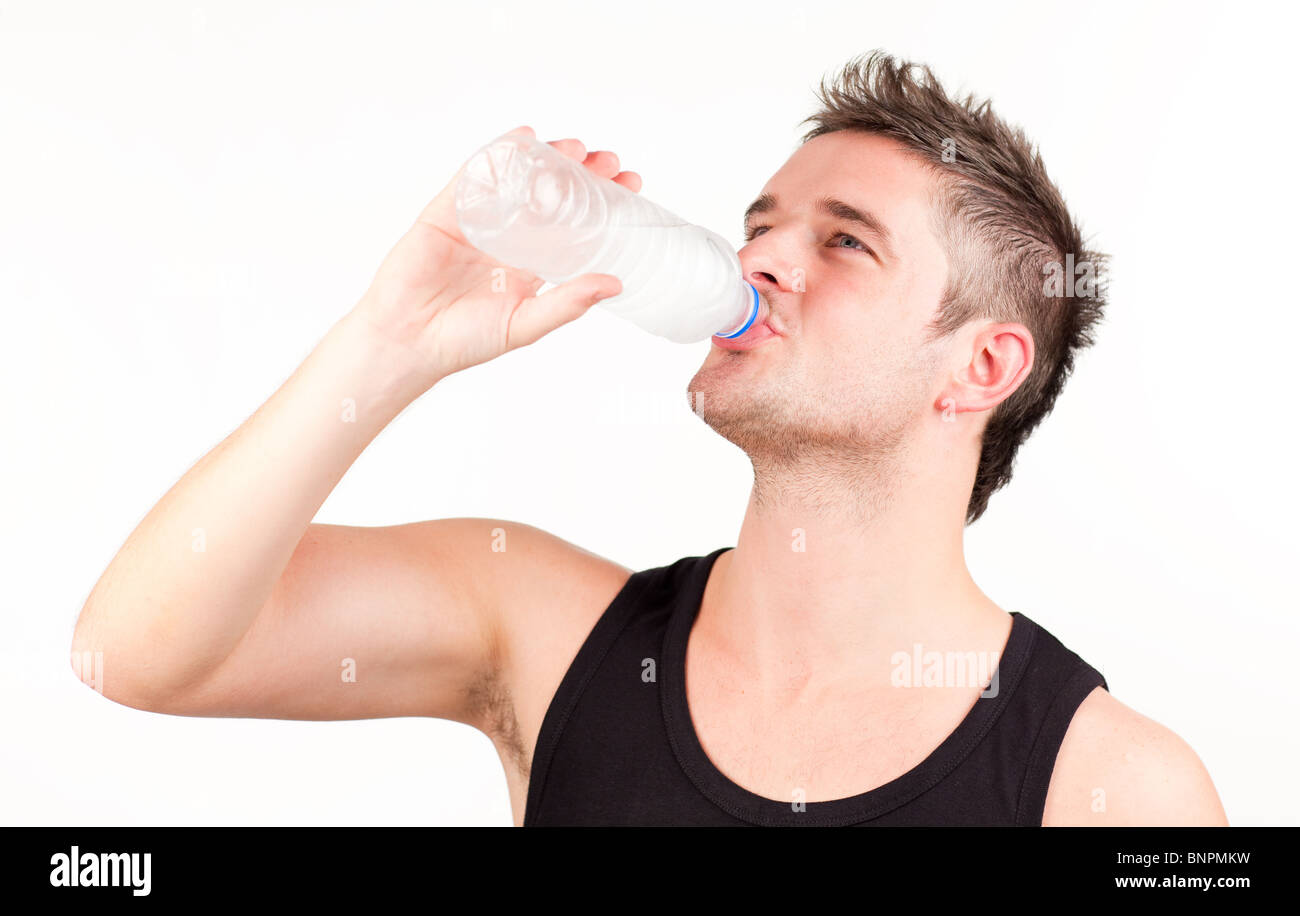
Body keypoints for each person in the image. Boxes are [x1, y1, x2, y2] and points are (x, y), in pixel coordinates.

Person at [71, 51, 1227, 826]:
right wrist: (391, 339)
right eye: (760, 227)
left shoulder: (1118, 788)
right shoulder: (535, 624)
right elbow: (129, 652)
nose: (759, 261)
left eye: (847, 244)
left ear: (979, 367)